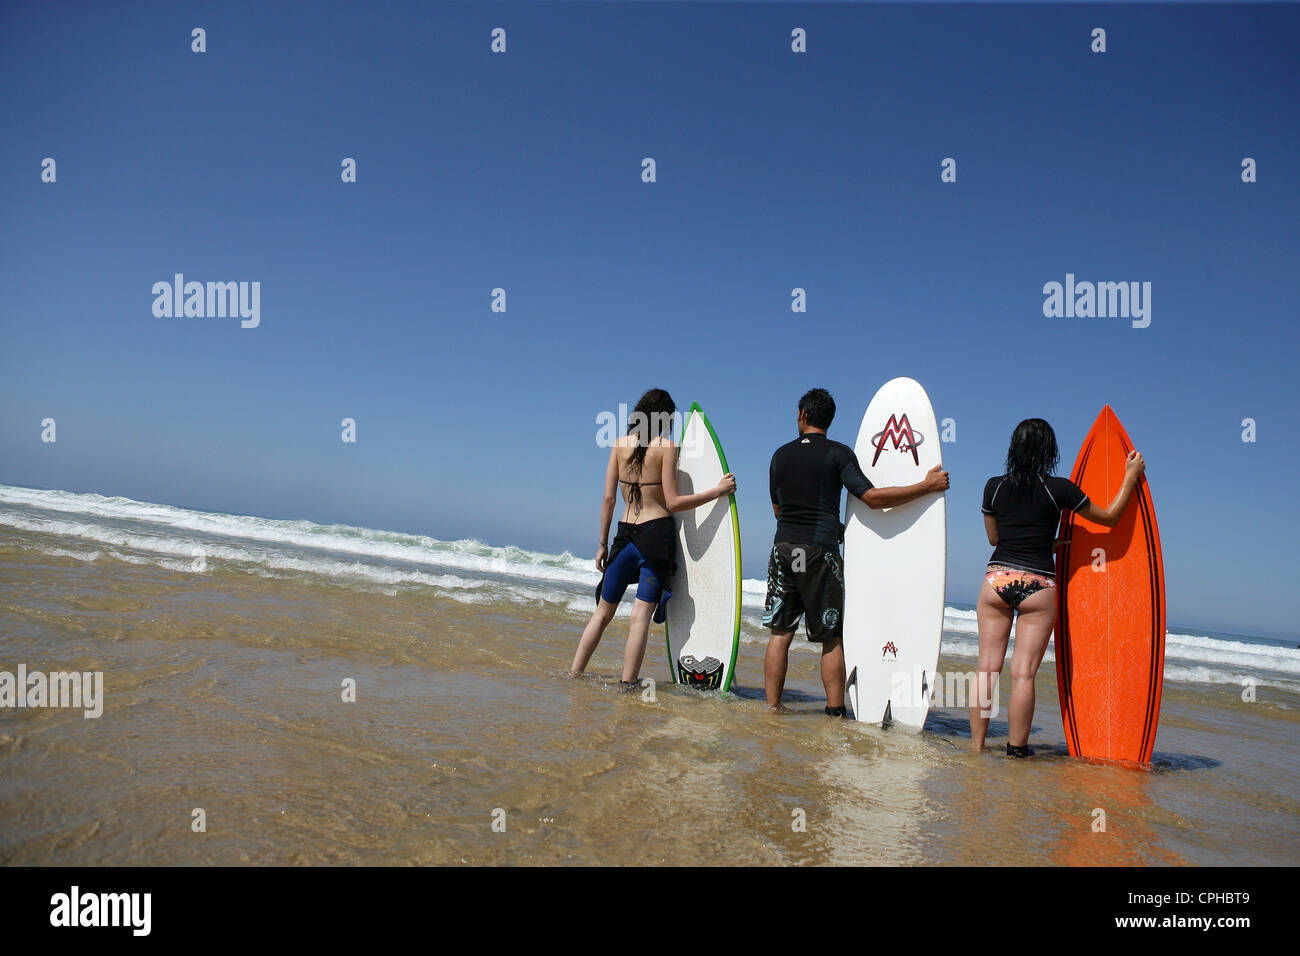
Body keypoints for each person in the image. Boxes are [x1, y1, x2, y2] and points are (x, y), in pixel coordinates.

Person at [764, 388, 948, 714]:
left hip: (784, 549)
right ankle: (834, 712)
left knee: (780, 634)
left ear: (803, 415)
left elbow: (779, 511)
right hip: (819, 553)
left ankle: (773, 709)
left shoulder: (779, 455)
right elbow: (874, 499)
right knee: (831, 638)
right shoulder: (838, 454)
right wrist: (926, 486)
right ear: (828, 419)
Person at [970, 418, 1145, 756]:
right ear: (1049, 451)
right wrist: (1130, 477)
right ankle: (1017, 751)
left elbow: (995, 538)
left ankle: (977, 748)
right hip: (1039, 584)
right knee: (1023, 674)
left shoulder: (993, 487)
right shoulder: (1059, 489)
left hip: (997, 580)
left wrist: (1036, 541)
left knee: (986, 668)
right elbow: (1108, 518)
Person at [568, 388, 736, 686]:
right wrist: (717, 492)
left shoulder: (618, 445)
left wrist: (602, 544)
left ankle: (573, 674)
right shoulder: (666, 448)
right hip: (656, 537)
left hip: (623, 536)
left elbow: (608, 500)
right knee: (639, 618)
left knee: (602, 614)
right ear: (665, 418)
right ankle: (627, 684)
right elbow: (672, 503)